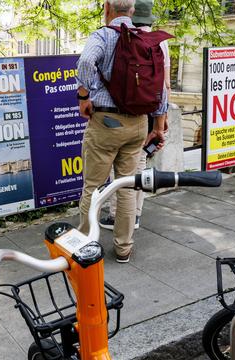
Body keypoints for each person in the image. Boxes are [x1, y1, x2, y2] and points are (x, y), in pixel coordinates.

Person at [76, 0, 166, 263]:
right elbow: (160, 89)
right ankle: (124, 248)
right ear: (131, 11)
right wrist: (158, 126)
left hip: (106, 123)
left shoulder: (103, 36)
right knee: (127, 186)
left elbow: (84, 62)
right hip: (138, 124)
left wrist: (83, 96)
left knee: (92, 186)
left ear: (107, 9)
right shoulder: (150, 40)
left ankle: (84, 244)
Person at [100, 0, 170, 232]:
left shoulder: (121, 36)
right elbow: (164, 86)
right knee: (139, 164)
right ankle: (135, 215)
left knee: (118, 165)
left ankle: (115, 216)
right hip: (150, 113)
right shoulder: (159, 41)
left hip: (123, 112)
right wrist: (161, 120)